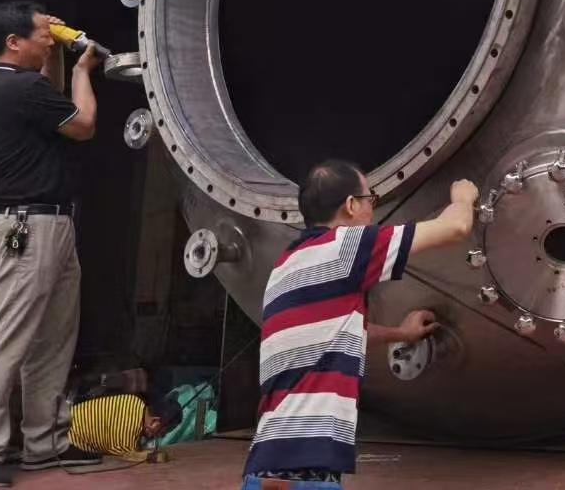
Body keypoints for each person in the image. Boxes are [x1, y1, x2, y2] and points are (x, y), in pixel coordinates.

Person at [242, 160, 479, 489]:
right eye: (371, 199)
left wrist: (401, 334)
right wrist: (463, 197)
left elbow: (331, 333)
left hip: (266, 462)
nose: (372, 209)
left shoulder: (285, 266)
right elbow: (455, 227)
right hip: (305, 468)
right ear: (351, 205)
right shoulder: (346, 248)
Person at [0, 3, 102, 488]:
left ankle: (45, 443)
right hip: (26, 227)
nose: (48, 38)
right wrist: (82, 69)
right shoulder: (14, 88)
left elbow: (50, 100)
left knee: (52, 342)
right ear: (13, 42)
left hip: (49, 224)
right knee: (8, 342)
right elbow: (81, 123)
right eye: (42, 34)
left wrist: (58, 52)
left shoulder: (10, 87)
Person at [68, 392, 183, 460]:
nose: (161, 436)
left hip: (65, 421)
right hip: (70, 442)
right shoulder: (130, 432)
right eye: (162, 432)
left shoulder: (134, 401)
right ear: (154, 422)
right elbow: (129, 455)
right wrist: (156, 457)